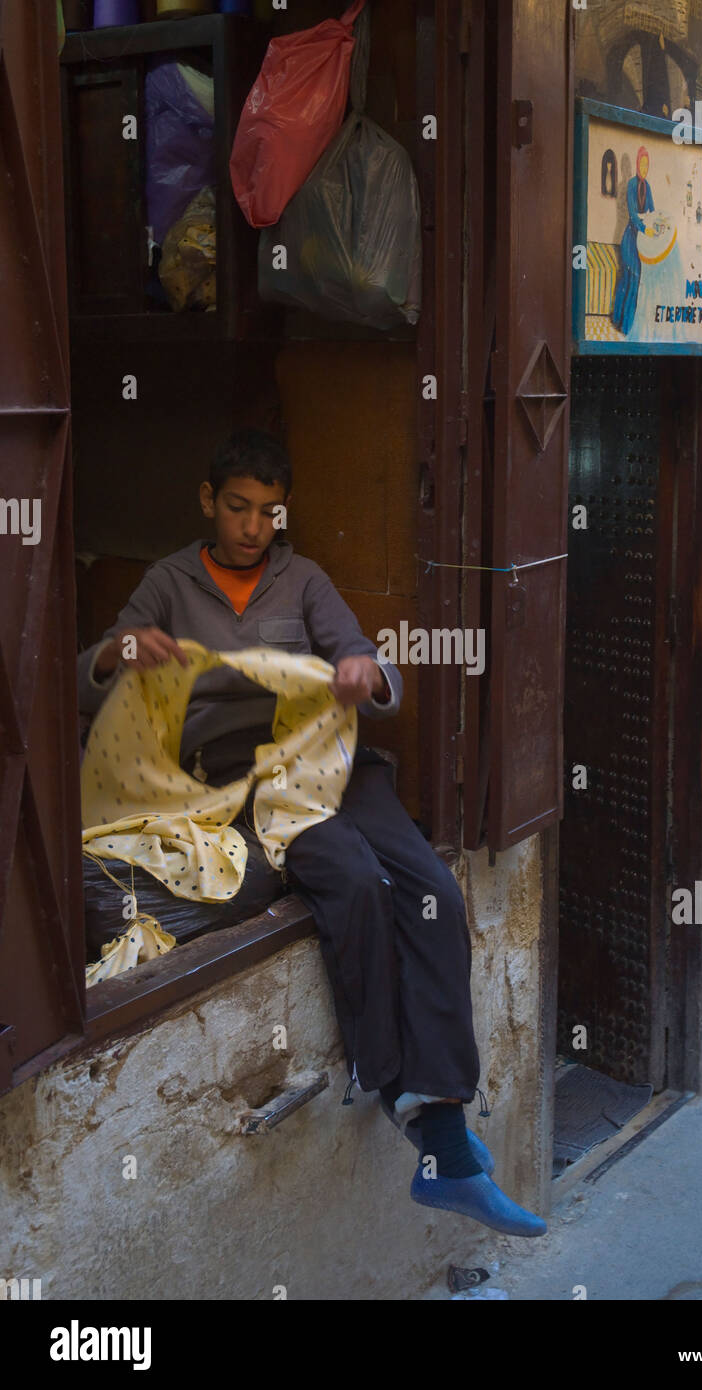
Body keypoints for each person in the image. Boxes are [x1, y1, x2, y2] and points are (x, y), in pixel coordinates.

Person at [77, 427, 545, 1239]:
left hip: (326, 764)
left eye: (267, 511)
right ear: (206, 503)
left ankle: (434, 1114)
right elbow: (92, 680)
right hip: (235, 790)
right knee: (355, 885)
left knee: (430, 889)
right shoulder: (167, 583)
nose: (253, 526)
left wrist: (367, 673)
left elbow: (364, 659)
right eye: (237, 508)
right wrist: (120, 651)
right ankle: (418, 1115)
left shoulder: (305, 580)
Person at [611, 144, 655, 337]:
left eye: (647, 166)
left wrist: (658, 223)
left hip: (642, 241)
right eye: (641, 165)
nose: (644, 169)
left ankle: (621, 321)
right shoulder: (630, 185)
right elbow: (633, 215)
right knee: (632, 278)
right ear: (636, 165)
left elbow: (652, 210)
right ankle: (624, 323)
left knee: (631, 279)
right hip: (630, 239)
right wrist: (646, 228)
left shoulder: (648, 186)